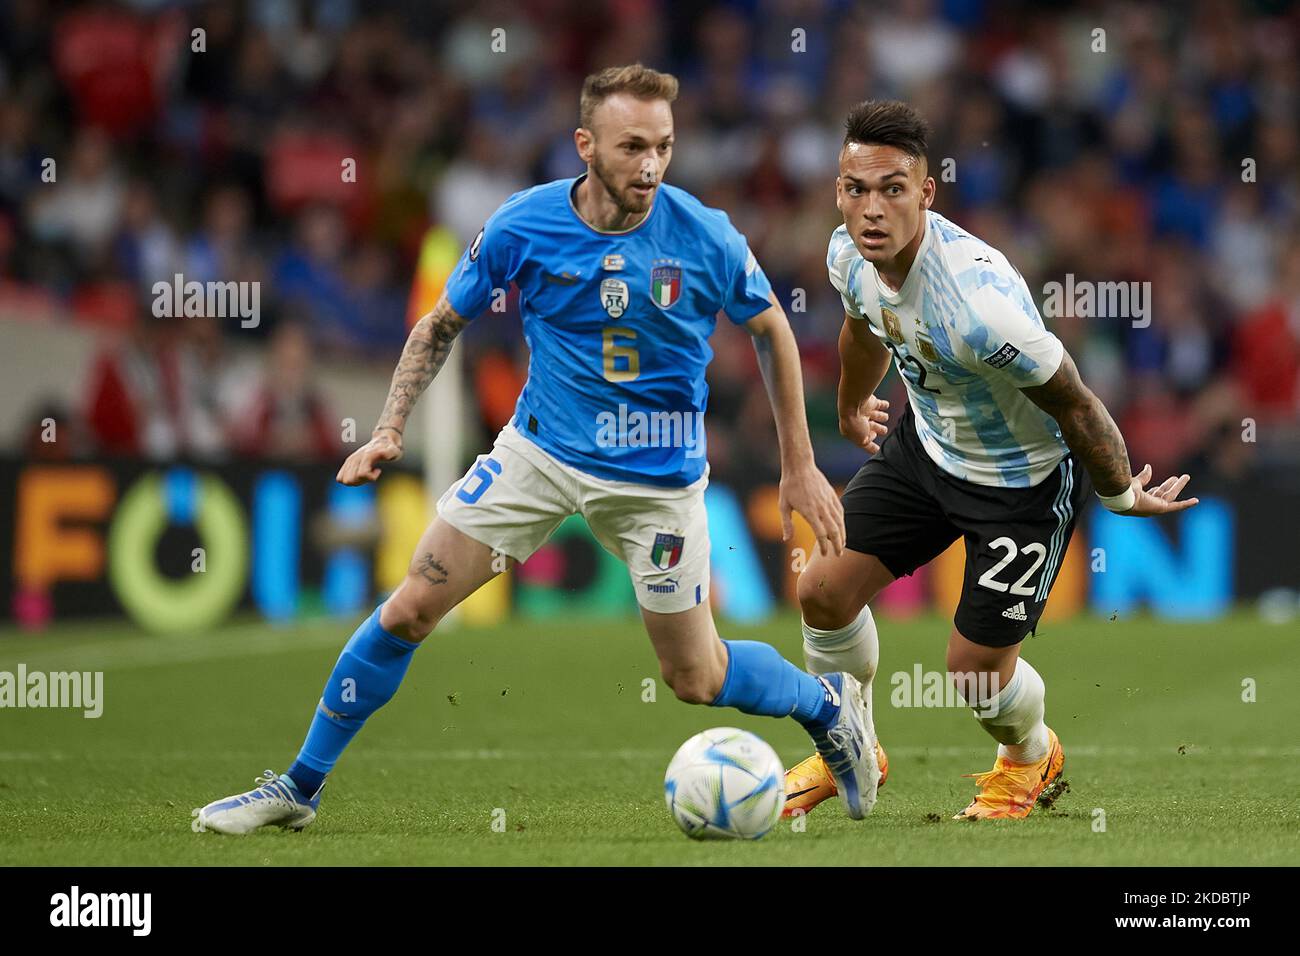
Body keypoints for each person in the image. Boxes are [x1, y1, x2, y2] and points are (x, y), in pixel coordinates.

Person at [197, 64, 881, 835]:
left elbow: (772, 331)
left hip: (658, 480)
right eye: (632, 147)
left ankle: (828, 709)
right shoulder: (525, 224)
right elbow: (438, 326)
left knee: (695, 676)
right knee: (410, 607)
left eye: (664, 146)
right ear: (584, 145)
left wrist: (798, 464)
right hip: (540, 455)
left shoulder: (704, 234)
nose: (651, 166)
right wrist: (390, 427)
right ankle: (299, 786)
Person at [783, 100, 1198, 821]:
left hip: (1020, 484)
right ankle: (847, 745)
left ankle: (1029, 757)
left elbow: (1076, 403)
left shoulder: (980, 304)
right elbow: (863, 327)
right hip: (927, 451)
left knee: (973, 677)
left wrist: (1120, 495)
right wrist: (853, 405)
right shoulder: (847, 254)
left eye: (892, 189)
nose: (871, 209)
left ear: (926, 193)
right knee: (820, 588)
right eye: (855, 189)